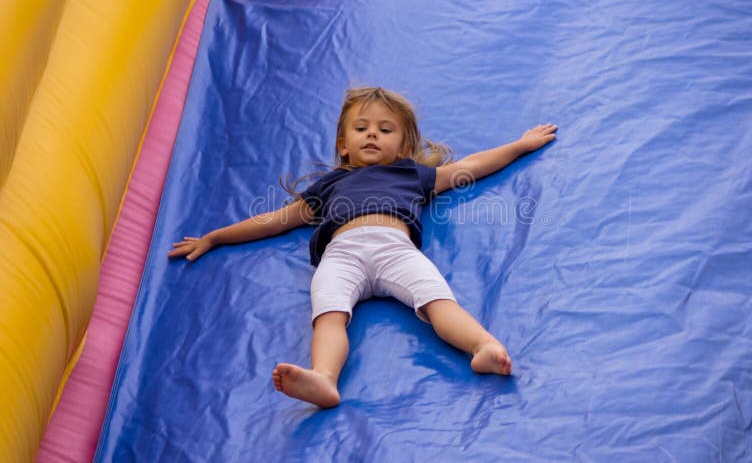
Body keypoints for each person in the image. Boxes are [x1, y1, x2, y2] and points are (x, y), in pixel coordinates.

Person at [168, 87, 557, 408]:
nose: (372, 134)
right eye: (361, 128)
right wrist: (215, 237)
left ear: (403, 147)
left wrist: (519, 146)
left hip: (396, 250)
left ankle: (484, 347)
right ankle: (324, 378)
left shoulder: (411, 174)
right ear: (343, 144)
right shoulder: (329, 185)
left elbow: (469, 167)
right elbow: (276, 219)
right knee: (329, 316)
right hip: (342, 255)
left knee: (438, 301)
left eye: (385, 130)